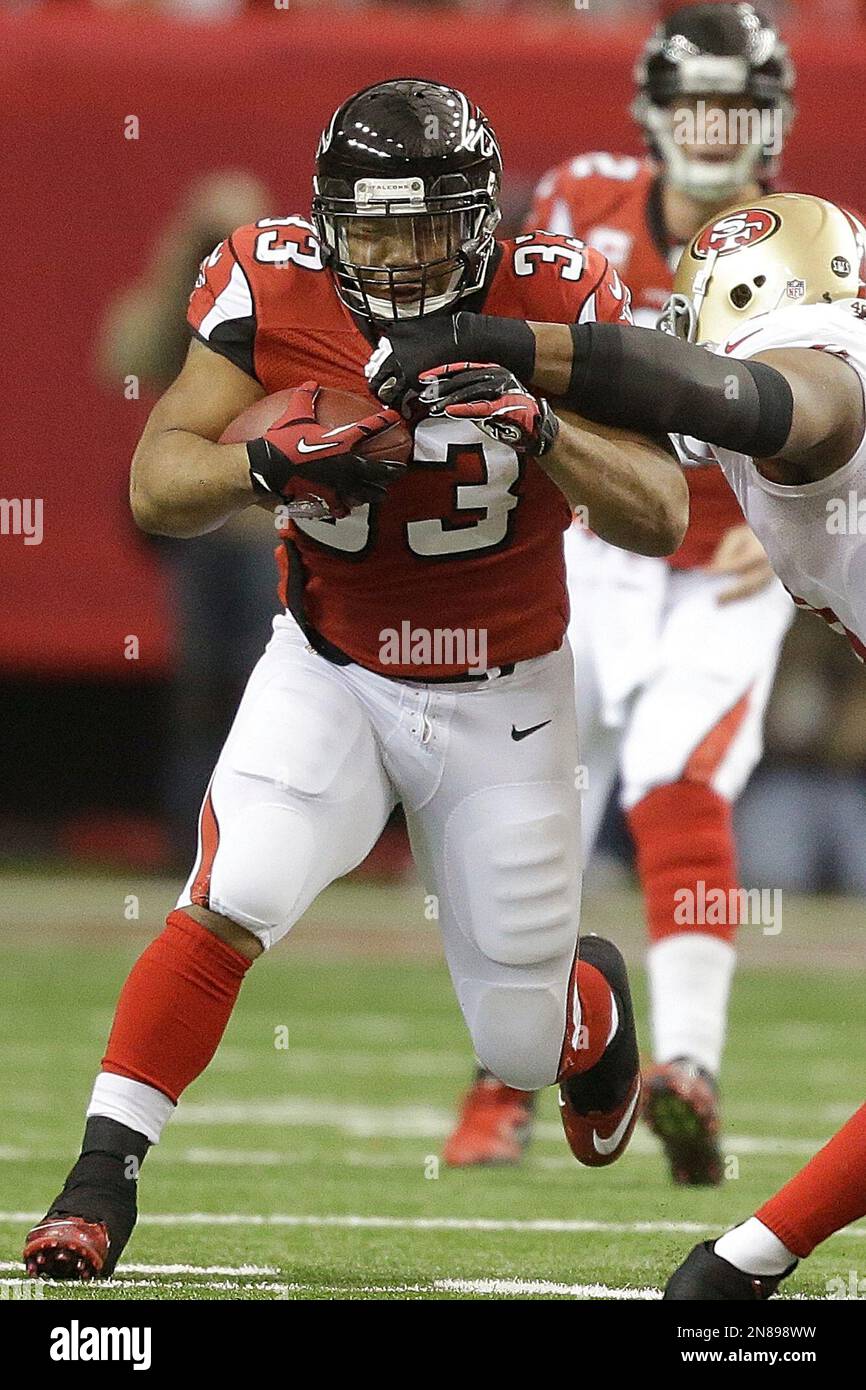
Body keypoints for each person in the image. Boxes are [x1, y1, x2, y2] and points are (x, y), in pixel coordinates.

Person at [22, 79, 687, 1282]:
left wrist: (543, 427)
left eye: (426, 223)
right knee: (234, 892)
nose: (394, 253)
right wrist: (263, 463)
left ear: (482, 221)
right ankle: (98, 1177)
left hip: (508, 692)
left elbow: (658, 510)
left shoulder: (553, 292)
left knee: (522, 1044)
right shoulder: (270, 279)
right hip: (331, 665)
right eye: (369, 224)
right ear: (325, 218)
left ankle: (586, 996)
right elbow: (156, 480)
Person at [366, 188, 866, 1300]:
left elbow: (734, 394)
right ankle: (741, 1265)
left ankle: (738, 1267)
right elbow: (663, 414)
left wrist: (498, 341)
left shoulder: (826, 369)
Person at [443, 0, 796, 1186]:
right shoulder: (578, 205)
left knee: (676, 789)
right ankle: (503, 1080)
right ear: (649, 111)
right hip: (595, 539)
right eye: (691, 101)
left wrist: (789, 513)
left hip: (724, 563)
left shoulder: (799, 242)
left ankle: (686, 1065)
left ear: (771, 123)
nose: (709, 127)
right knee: (530, 797)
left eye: (733, 106)